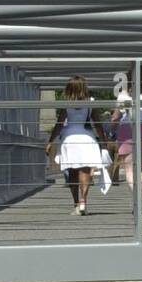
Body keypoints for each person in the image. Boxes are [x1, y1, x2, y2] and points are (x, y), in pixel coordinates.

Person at [46, 75, 110, 216]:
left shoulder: (66, 104)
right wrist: (104, 142)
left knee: (73, 173)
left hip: (69, 139)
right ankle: (83, 202)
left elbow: (59, 124)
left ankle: (75, 202)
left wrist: (51, 141)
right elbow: (97, 124)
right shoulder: (90, 103)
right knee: (85, 171)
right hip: (86, 138)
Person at [109, 64, 142, 215]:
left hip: (126, 129)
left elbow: (116, 117)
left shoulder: (124, 94)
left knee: (129, 169)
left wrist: (111, 128)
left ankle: (136, 202)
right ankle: (139, 203)